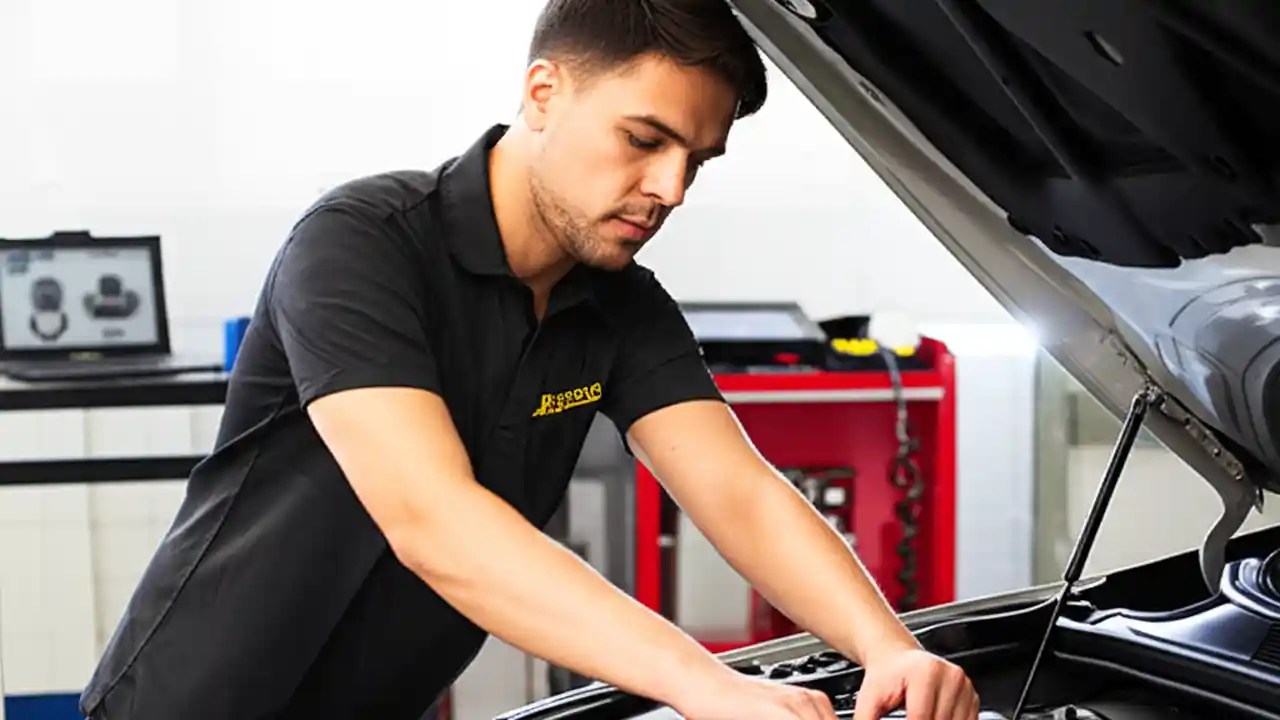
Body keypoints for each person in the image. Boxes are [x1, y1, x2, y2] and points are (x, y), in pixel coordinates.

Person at [79, 1, 981, 718]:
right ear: (544, 92)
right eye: (645, 140)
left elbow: (737, 491)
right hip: (195, 699)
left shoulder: (623, 304)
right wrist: (703, 683)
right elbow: (436, 524)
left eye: (698, 161)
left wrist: (887, 645)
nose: (670, 189)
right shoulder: (360, 243)